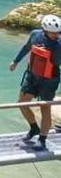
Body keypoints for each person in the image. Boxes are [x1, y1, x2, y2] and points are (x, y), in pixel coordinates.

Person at [9, 14, 61, 149]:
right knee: (22, 103)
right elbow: (26, 47)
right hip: (32, 75)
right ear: (44, 30)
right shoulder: (35, 35)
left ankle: (42, 139)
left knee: (45, 108)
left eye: (58, 32)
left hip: (49, 80)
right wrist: (15, 61)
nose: (56, 35)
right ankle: (34, 128)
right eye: (53, 33)